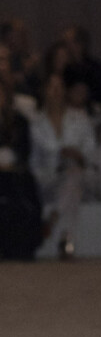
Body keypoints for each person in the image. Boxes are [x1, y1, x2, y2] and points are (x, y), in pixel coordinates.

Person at [30, 67, 100, 254]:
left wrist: (78, 156)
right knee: (71, 184)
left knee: (73, 174)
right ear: (44, 91)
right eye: (51, 87)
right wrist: (56, 160)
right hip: (48, 180)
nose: (56, 91)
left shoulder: (80, 118)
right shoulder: (36, 123)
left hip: (80, 176)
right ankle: (66, 240)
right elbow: (34, 161)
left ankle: (53, 219)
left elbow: (92, 154)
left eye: (59, 87)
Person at [0, 80, 42, 259]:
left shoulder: (20, 121)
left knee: (23, 196)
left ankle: (21, 247)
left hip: (16, 173)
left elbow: (24, 151)